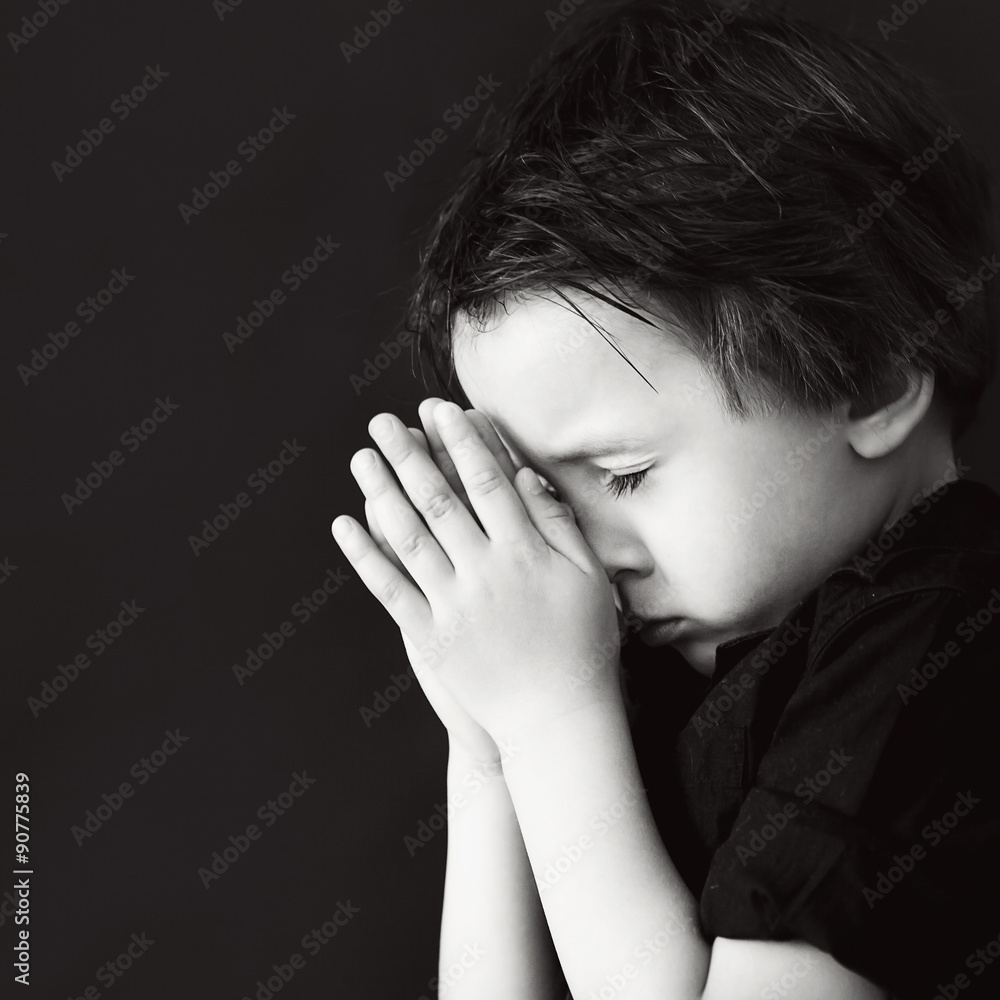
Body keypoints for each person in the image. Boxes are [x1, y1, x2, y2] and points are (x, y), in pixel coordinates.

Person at [331, 1, 1000, 997]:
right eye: (540, 496)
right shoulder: (665, 668)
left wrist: (554, 717)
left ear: (871, 378)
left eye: (624, 474)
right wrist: (490, 745)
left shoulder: (942, 638)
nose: (588, 557)